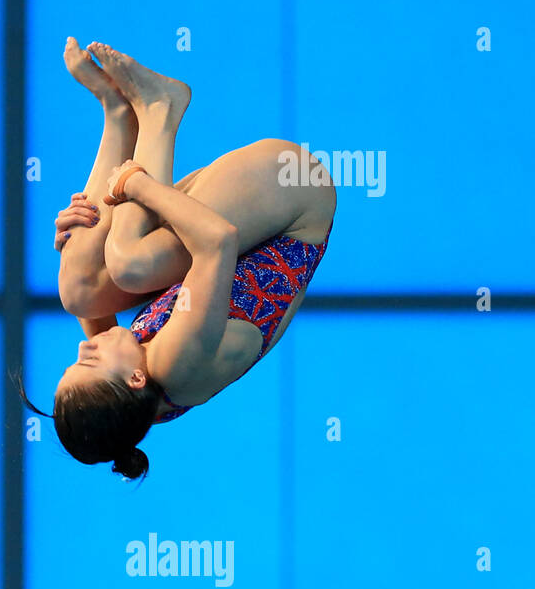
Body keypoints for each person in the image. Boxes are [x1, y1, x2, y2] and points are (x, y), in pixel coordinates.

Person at [23, 39, 336, 480]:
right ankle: (158, 110)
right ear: (133, 380)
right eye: (88, 362)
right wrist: (135, 185)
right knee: (131, 262)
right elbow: (216, 241)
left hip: (241, 215)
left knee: (78, 290)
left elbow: (92, 298)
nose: (83, 345)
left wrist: (77, 233)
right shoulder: (175, 363)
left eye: (75, 360)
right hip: (292, 194)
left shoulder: (136, 398)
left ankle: (118, 115)